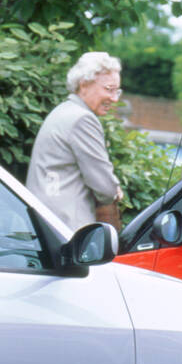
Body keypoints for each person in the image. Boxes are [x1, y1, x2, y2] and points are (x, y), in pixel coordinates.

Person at [26, 51, 124, 232]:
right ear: (84, 84)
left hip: (45, 222)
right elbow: (105, 188)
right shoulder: (82, 119)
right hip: (67, 227)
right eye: (109, 89)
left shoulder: (62, 111)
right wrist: (114, 188)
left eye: (117, 91)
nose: (114, 98)